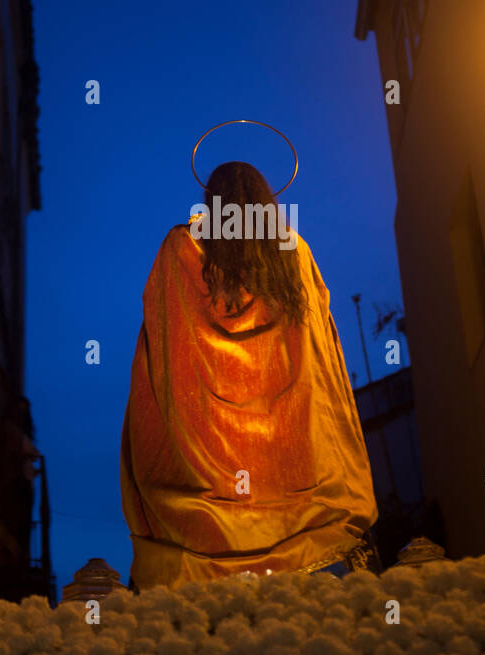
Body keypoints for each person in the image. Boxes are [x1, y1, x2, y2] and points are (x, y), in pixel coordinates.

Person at [120, 160, 379, 589]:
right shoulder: (294, 252)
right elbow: (322, 359)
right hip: (297, 475)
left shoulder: (183, 248)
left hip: (206, 477)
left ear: (211, 201)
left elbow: (162, 345)